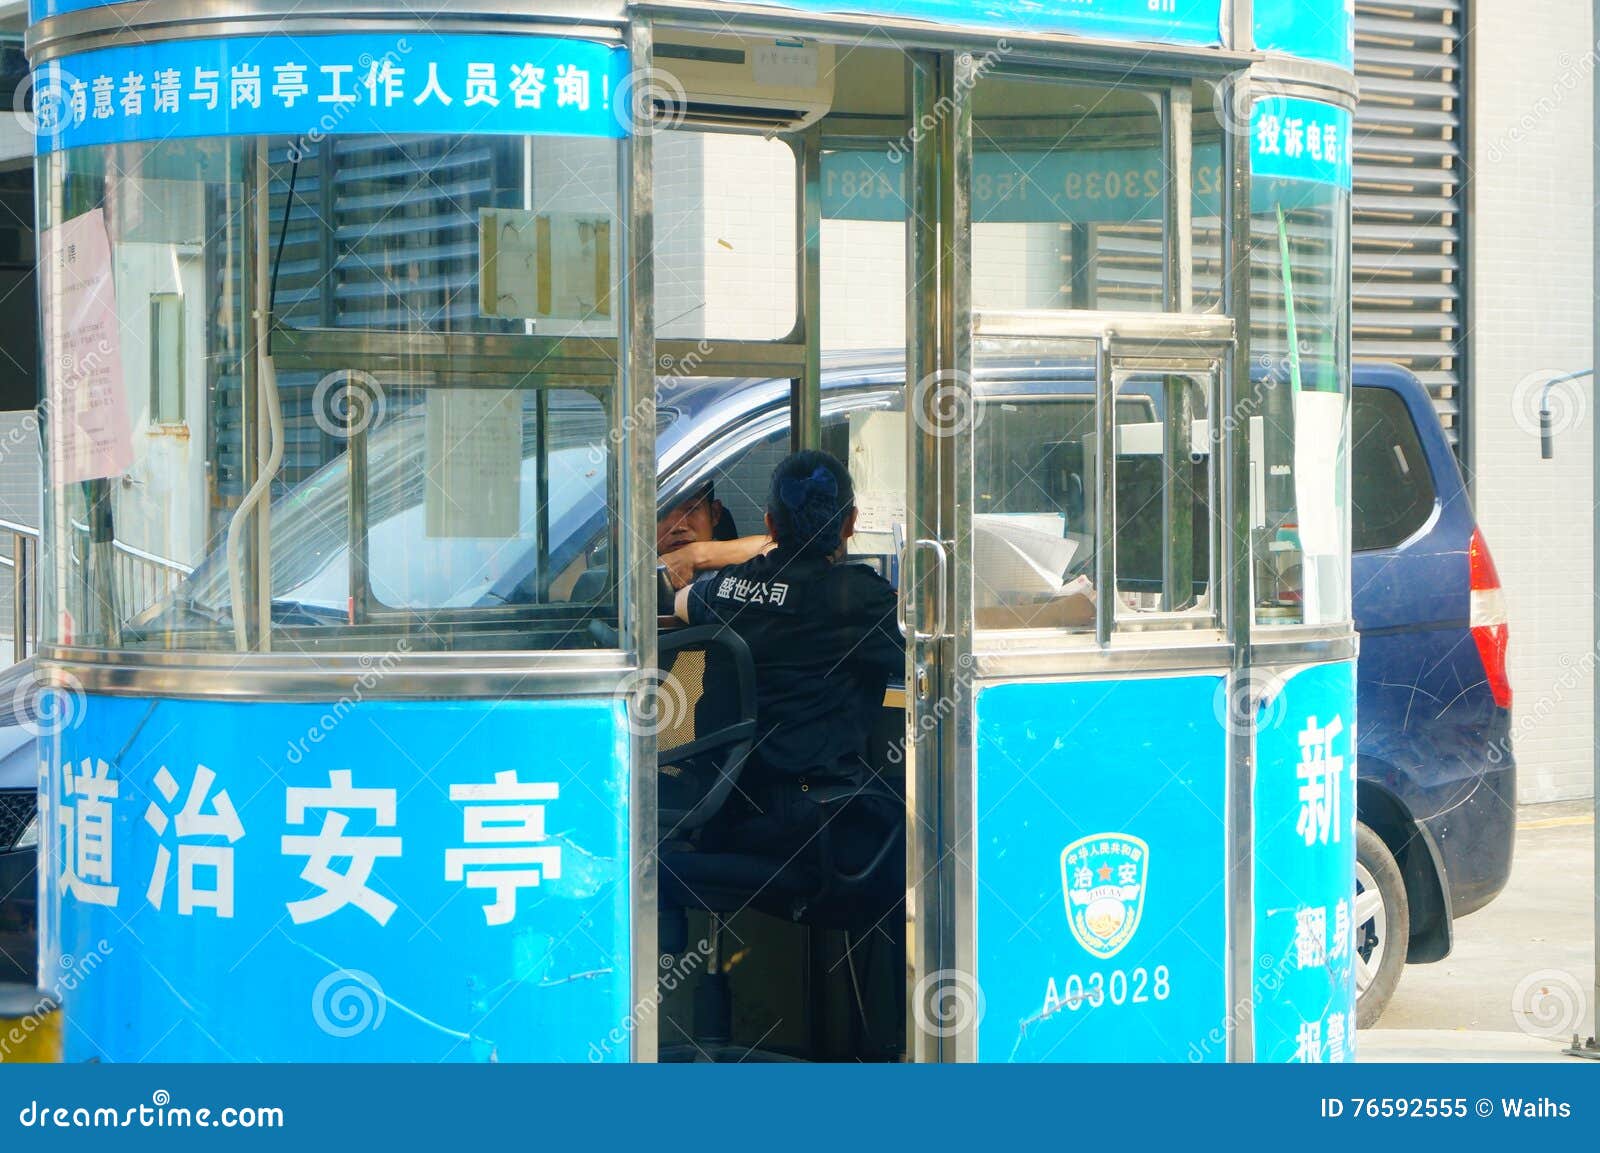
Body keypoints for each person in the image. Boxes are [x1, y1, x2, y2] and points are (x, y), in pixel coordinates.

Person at [674, 450, 903, 865]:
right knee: (932, 821)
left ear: (769, 524)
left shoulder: (728, 586)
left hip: (723, 815)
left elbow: (683, 601)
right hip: (817, 822)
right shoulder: (855, 597)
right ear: (850, 524)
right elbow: (930, 656)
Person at [655, 478, 773, 589]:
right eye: (662, 514)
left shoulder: (738, 577)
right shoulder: (640, 578)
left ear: (715, 513)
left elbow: (781, 548)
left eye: (691, 509)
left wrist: (694, 555)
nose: (678, 526)